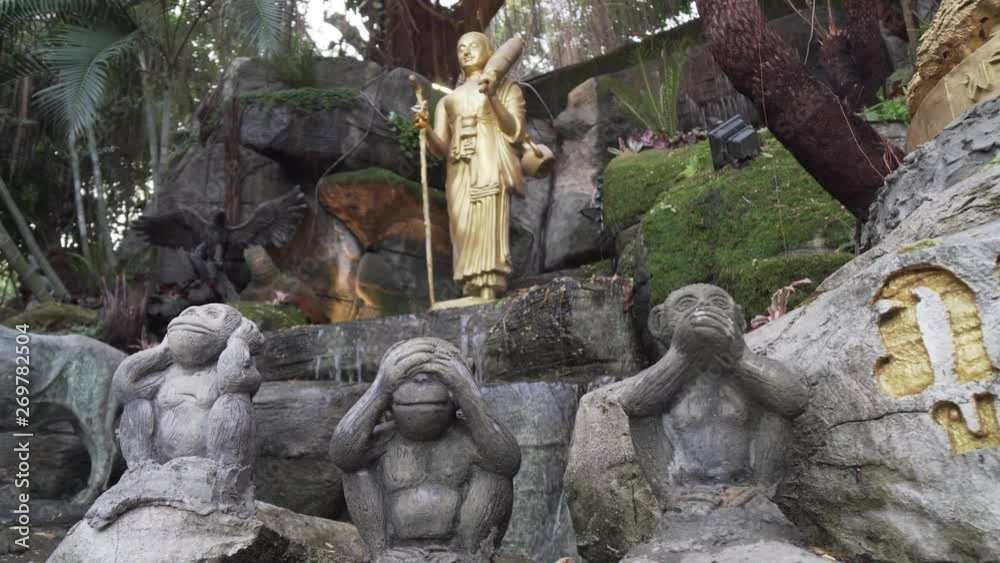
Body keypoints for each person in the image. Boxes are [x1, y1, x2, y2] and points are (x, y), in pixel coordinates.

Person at [416, 32, 526, 302]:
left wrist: (492, 96)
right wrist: (425, 128)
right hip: (458, 170)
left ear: (490, 51)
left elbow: (515, 132)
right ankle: (470, 288)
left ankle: (488, 286)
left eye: (473, 46)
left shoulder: (507, 88)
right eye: (460, 48)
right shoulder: (447, 101)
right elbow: (440, 147)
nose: (466, 52)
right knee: (462, 228)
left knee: (486, 218)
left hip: (488, 161)